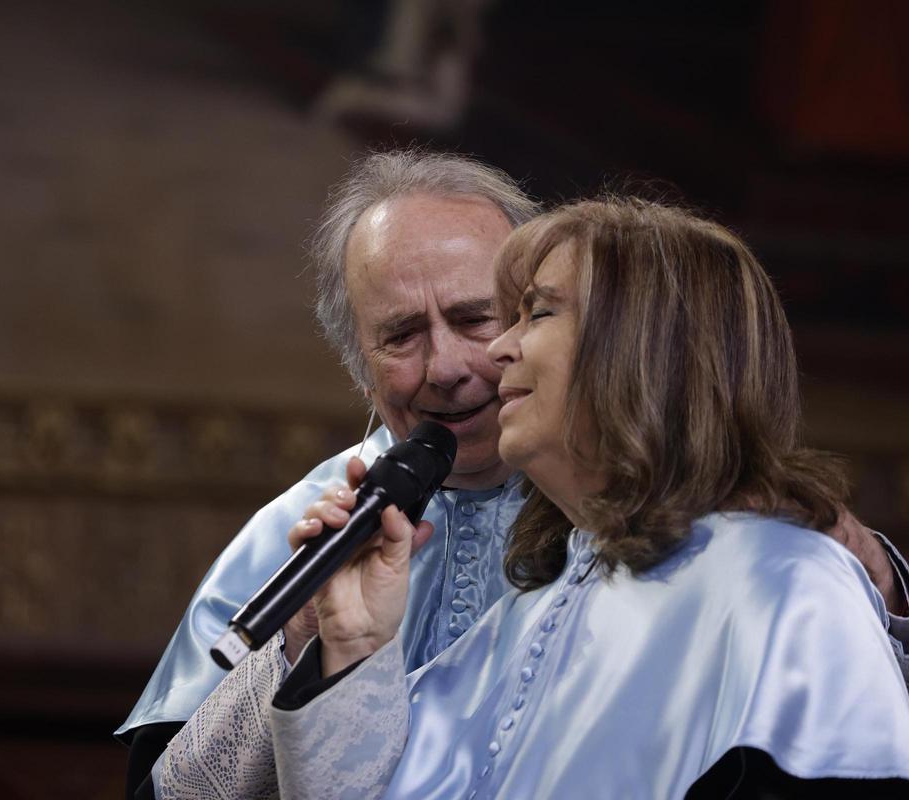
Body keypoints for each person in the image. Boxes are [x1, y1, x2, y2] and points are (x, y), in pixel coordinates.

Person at [120, 152, 909, 796]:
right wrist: (326, 645)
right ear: (359, 369)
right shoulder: (339, 531)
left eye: (489, 317)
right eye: (400, 336)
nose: (463, 365)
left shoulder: (772, 568)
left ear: (629, 349)